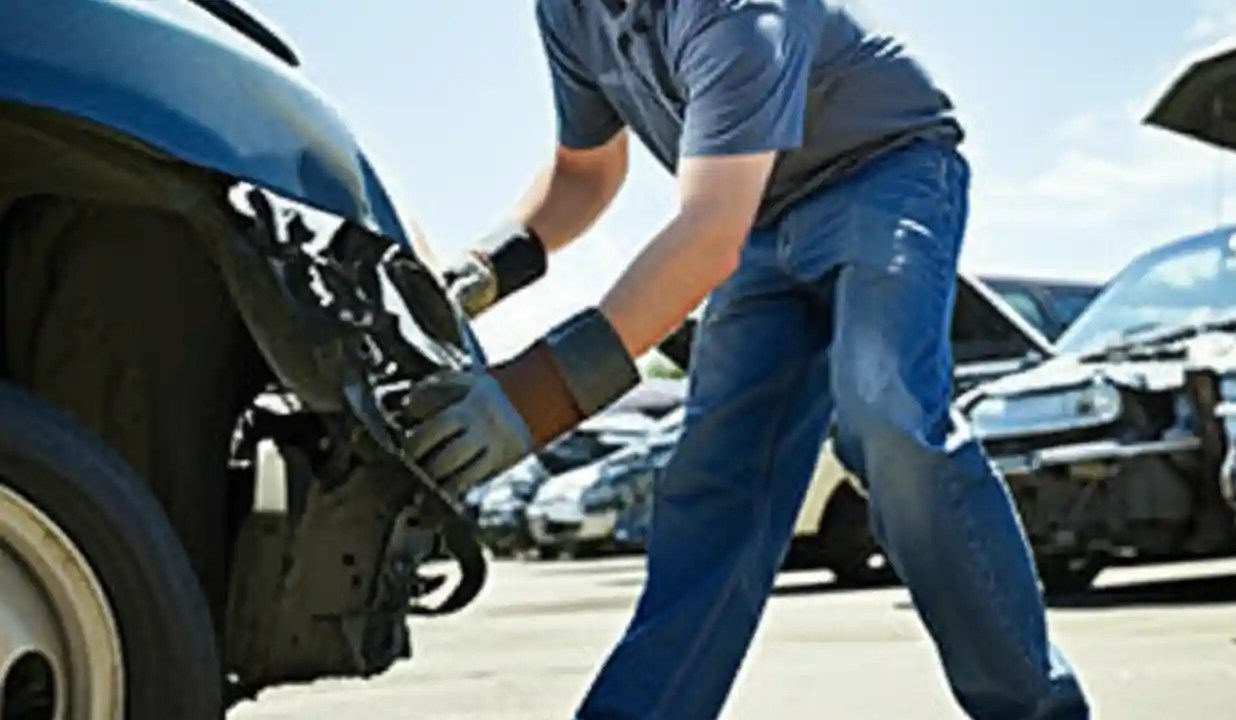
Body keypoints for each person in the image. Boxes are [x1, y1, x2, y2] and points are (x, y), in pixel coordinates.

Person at [401, 1, 1091, 718]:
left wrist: (526, 398)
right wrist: (486, 268)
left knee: (886, 412)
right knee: (714, 480)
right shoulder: (569, 10)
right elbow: (584, 173)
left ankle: (1035, 709)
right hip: (759, 217)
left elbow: (706, 235)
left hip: (883, 171)